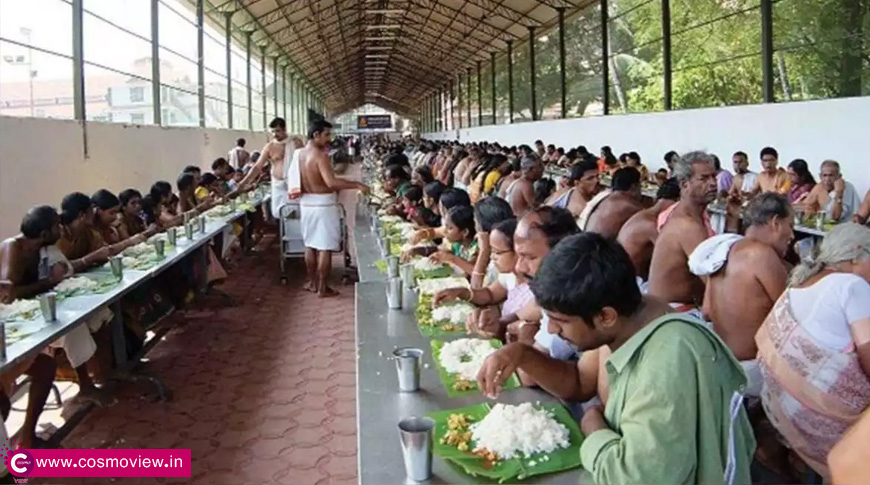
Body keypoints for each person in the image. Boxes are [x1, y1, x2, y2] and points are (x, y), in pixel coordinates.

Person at [476, 233, 755, 485]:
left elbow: (635, 479)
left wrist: (593, 427)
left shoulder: (667, 360)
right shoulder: (626, 319)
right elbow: (579, 383)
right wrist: (523, 354)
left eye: (560, 321)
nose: (551, 330)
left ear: (605, 316)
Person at [755, 223, 870, 480]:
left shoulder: (801, 281)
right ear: (856, 255)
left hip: (784, 407)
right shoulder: (851, 285)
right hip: (820, 417)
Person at [689, 193, 793, 396]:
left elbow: (708, 311)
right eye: (790, 225)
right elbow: (790, 317)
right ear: (775, 223)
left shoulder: (725, 250)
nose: (792, 235)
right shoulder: (762, 255)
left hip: (722, 362)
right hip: (752, 371)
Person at [297, 119, 368, 297]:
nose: (329, 139)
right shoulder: (320, 156)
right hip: (323, 204)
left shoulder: (299, 154)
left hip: (306, 204)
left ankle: (311, 281)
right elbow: (331, 182)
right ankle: (323, 287)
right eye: (327, 135)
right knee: (325, 247)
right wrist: (356, 184)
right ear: (316, 135)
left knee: (310, 245)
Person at [648, 151, 717, 318]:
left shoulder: (688, 214)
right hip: (676, 313)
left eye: (714, 177)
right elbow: (714, 283)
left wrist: (732, 219)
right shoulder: (687, 225)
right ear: (684, 184)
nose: (713, 183)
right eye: (704, 178)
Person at [616, 178, 680, 284]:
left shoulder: (644, 216)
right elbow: (672, 257)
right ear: (677, 201)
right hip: (630, 282)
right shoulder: (651, 225)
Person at [235, 117, 302, 217]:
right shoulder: (270, 147)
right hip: (278, 185)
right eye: (273, 131)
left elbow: (304, 162)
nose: (275, 134)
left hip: (294, 184)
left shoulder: (296, 142)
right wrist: (244, 182)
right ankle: (281, 231)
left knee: (297, 213)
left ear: (285, 129)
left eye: (278, 131)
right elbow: (257, 167)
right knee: (279, 213)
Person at [581, 167, 645, 238]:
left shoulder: (605, 197)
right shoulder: (631, 206)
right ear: (634, 186)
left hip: (584, 240)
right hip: (595, 246)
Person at [796, 160, 862, 223]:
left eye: (831, 175)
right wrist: (807, 208)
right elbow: (804, 205)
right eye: (824, 175)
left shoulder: (846, 187)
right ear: (820, 176)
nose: (827, 179)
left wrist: (839, 193)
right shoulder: (819, 187)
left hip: (847, 228)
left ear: (839, 176)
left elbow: (835, 217)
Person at [429, 206, 478, 277]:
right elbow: (443, 250)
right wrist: (438, 255)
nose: (445, 231)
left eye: (450, 228)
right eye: (445, 226)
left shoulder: (476, 248)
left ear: (464, 232)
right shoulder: (457, 244)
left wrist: (452, 258)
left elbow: (472, 270)